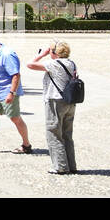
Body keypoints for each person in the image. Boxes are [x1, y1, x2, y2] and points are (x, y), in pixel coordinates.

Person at [28, 41, 77, 174]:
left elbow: (30, 64)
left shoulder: (53, 64)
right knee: (67, 134)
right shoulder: (71, 63)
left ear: (55, 52)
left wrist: (41, 54)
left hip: (55, 101)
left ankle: (60, 166)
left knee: (53, 132)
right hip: (70, 101)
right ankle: (71, 165)